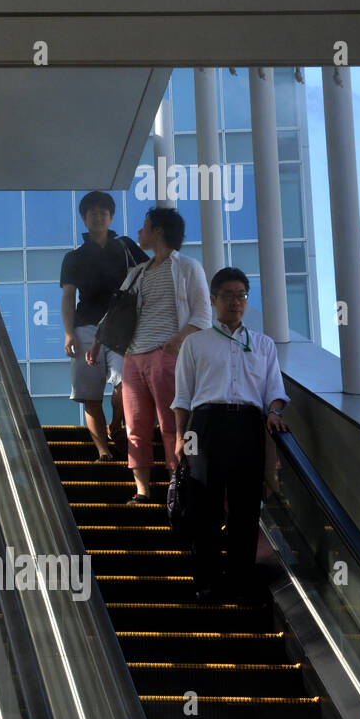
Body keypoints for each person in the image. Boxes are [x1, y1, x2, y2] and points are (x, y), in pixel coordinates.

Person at [172, 268, 288, 602]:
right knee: (204, 505)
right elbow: (182, 398)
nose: (236, 302)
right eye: (228, 295)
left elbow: (274, 392)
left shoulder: (263, 344)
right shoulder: (195, 342)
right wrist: (181, 438)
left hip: (248, 426)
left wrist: (276, 412)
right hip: (205, 425)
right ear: (213, 300)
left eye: (241, 295)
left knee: (246, 507)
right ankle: (206, 582)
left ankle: (240, 580)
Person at [88, 207, 211, 502]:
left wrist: (177, 340)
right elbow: (115, 311)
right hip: (133, 357)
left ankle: (177, 486)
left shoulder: (187, 267)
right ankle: (142, 490)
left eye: (144, 227)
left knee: (172, 425)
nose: (139, 233)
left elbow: (203, 314)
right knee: (136, 426)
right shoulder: (137, 272)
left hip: (165, 355)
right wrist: (97, 341)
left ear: (158, 231)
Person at [60, 190, 148, 460]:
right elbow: (68, 296)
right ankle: (103, 452)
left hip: (121, 327)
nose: (98, 217)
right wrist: (67, 333)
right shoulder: (74, 256)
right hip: (85, 325)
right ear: (84, 219)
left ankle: (116, 424)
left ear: (111, 217)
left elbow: (150, 275)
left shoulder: (125, 247)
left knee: (125, 385)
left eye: (103, 213)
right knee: (90, 395)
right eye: (92, 213)